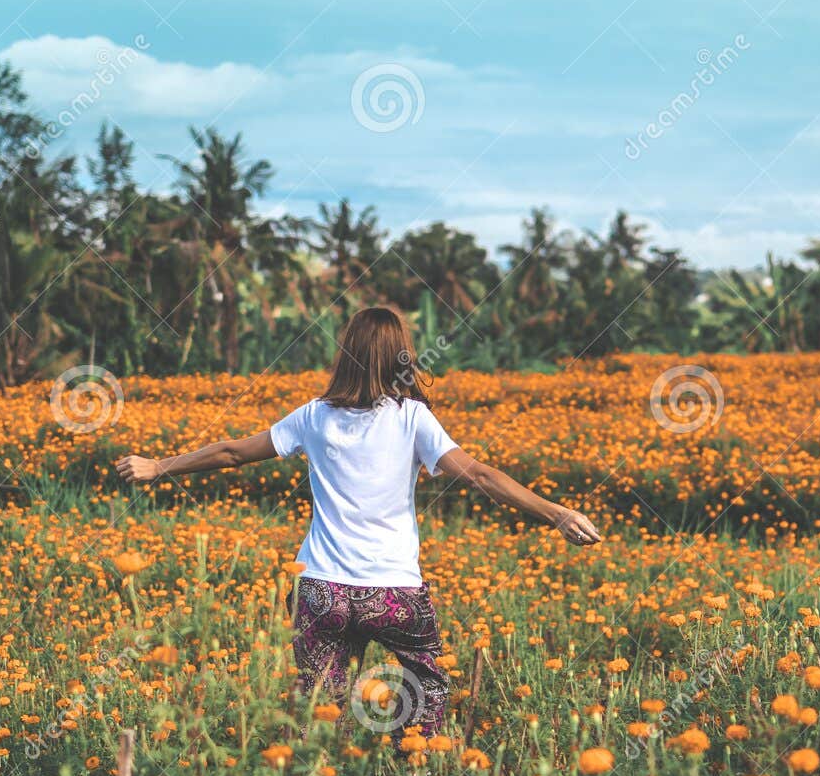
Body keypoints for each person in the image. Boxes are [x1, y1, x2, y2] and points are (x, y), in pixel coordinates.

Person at [116, 306, 601, 741]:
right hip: (393, 592)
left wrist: (159, 466)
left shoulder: (313, 416)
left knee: (319, 710)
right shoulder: (412, 418)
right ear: (401, 357)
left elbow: (231, 453)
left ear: (346, 353)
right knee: (427, 687)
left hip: (320, 589)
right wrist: (557, 513)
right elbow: (479, 475)